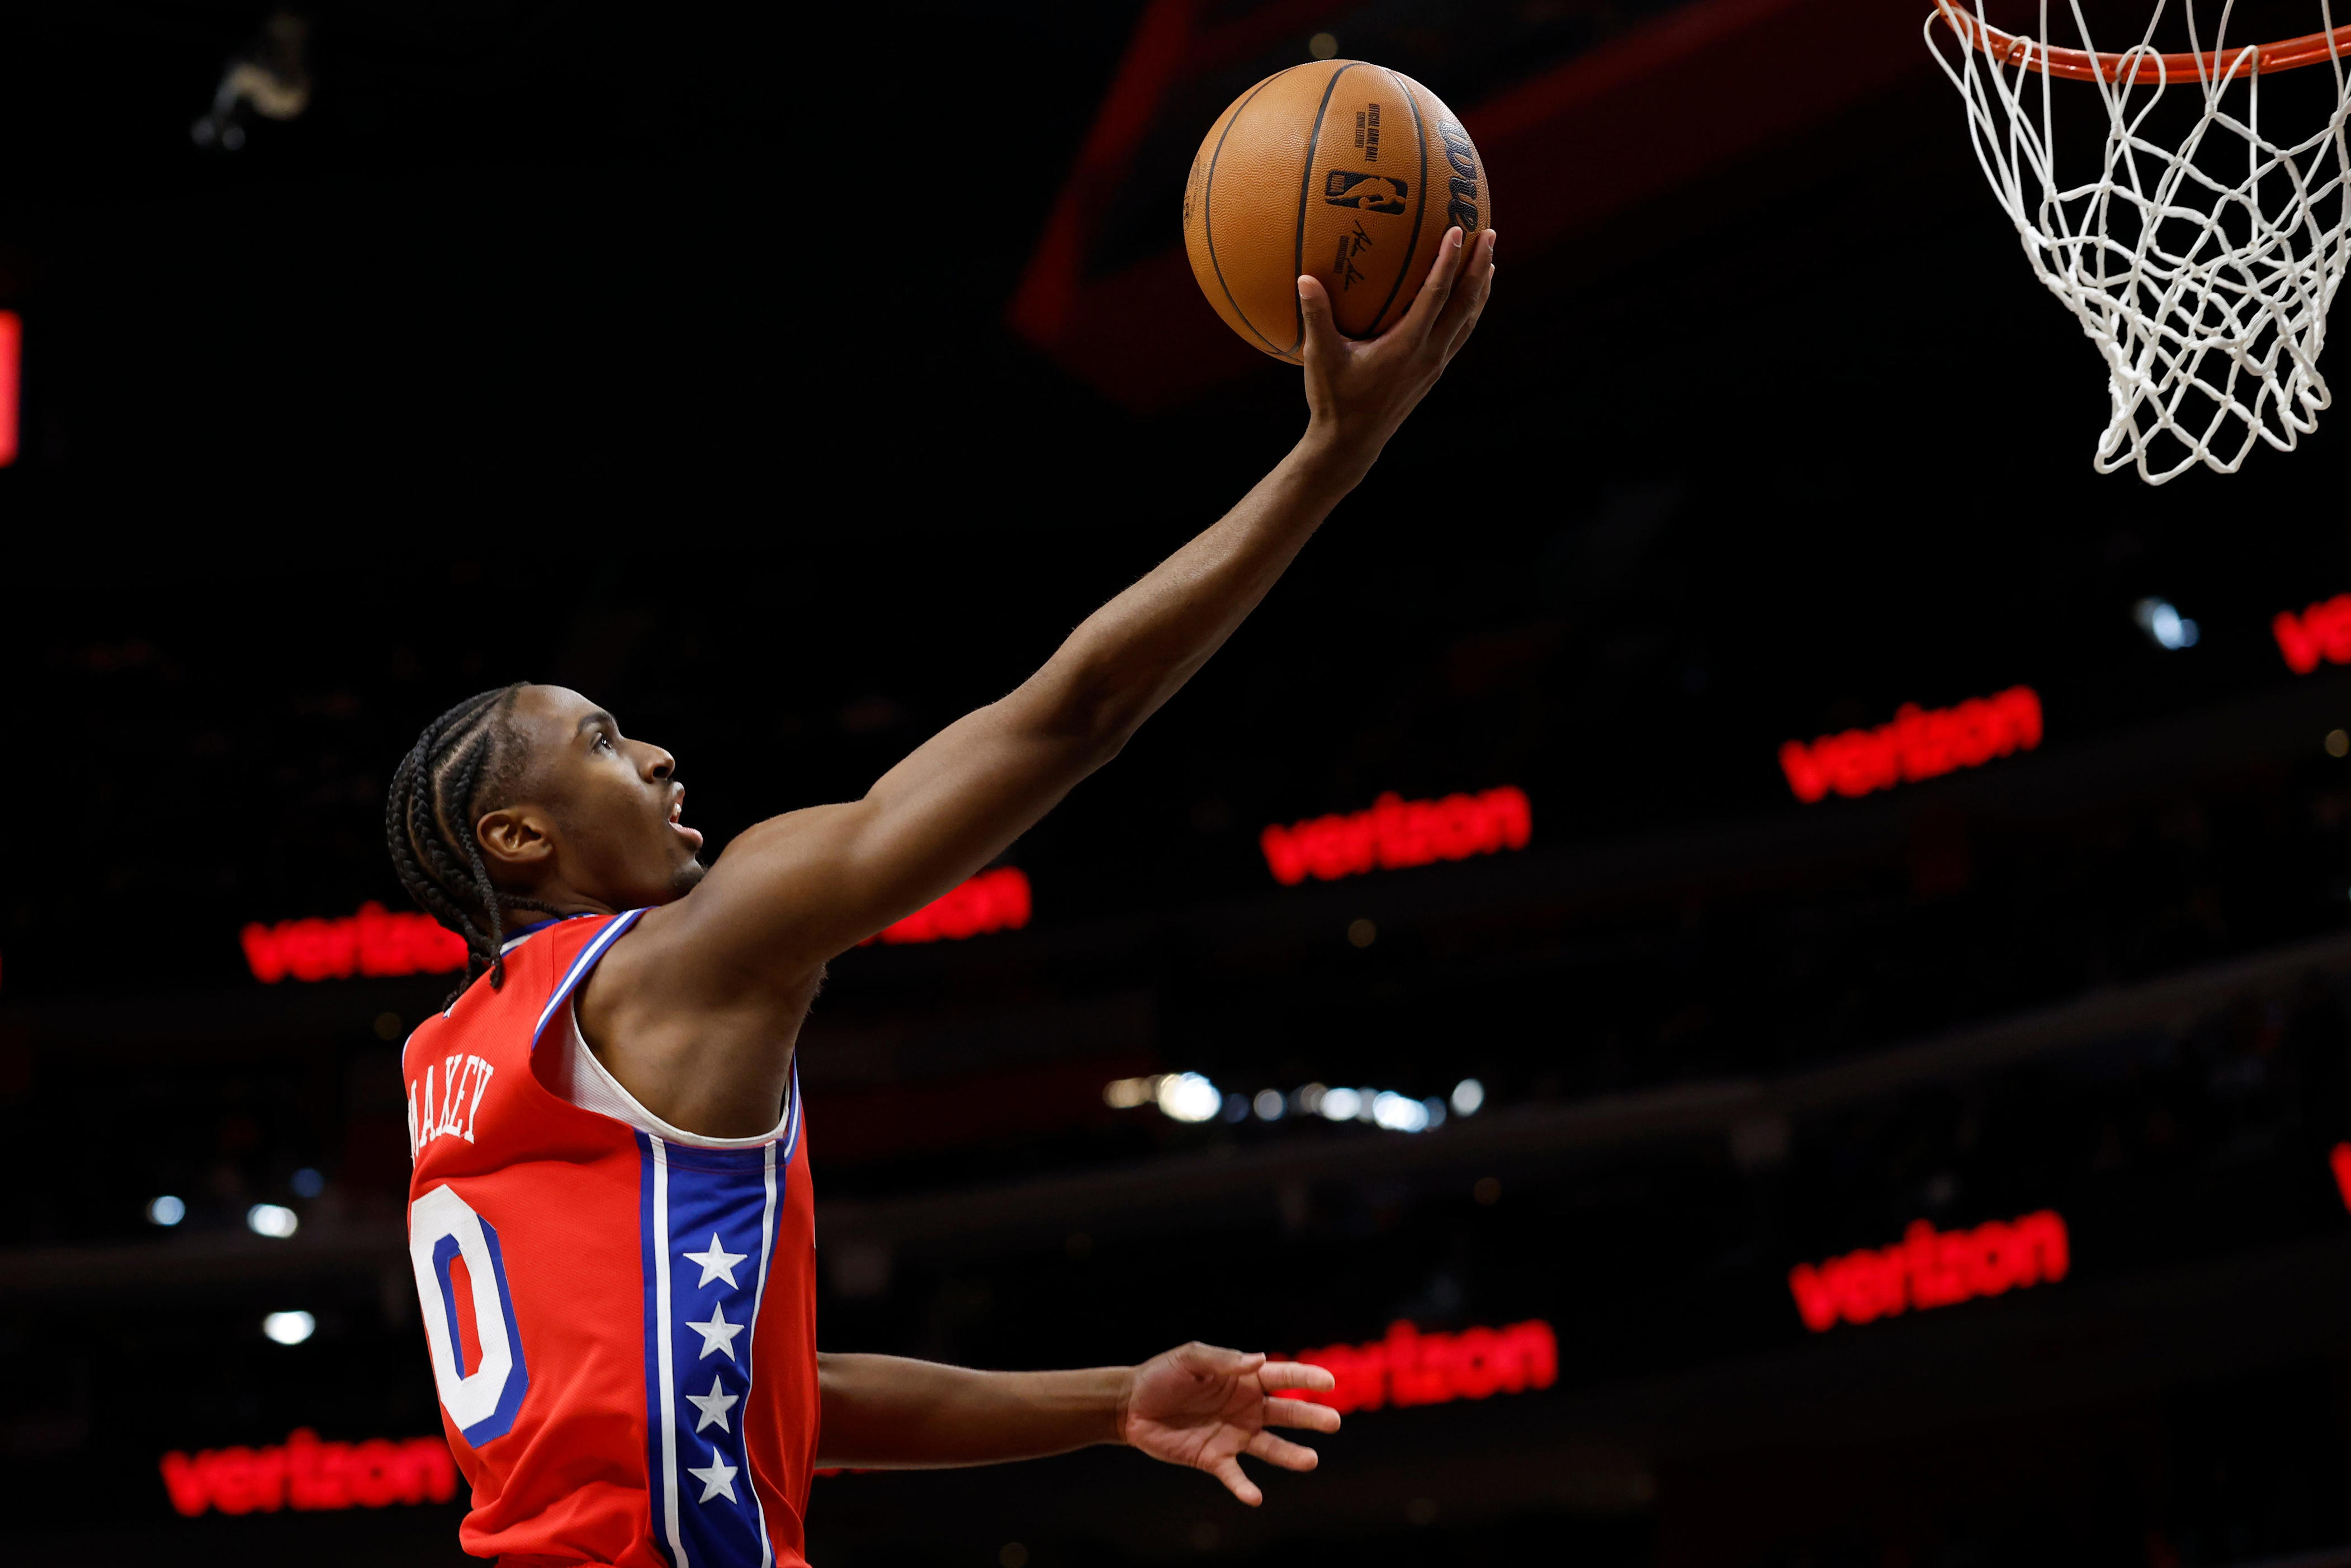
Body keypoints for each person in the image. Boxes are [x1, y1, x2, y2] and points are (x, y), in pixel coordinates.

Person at [385, 228, 1496, 1567]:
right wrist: (1331, 458)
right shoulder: (688, 956)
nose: (659, 754)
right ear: (516, 833)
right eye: (606, 742)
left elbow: (781, 1394)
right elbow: (1070, 716)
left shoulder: (451, 1057)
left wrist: (1110, 1402)